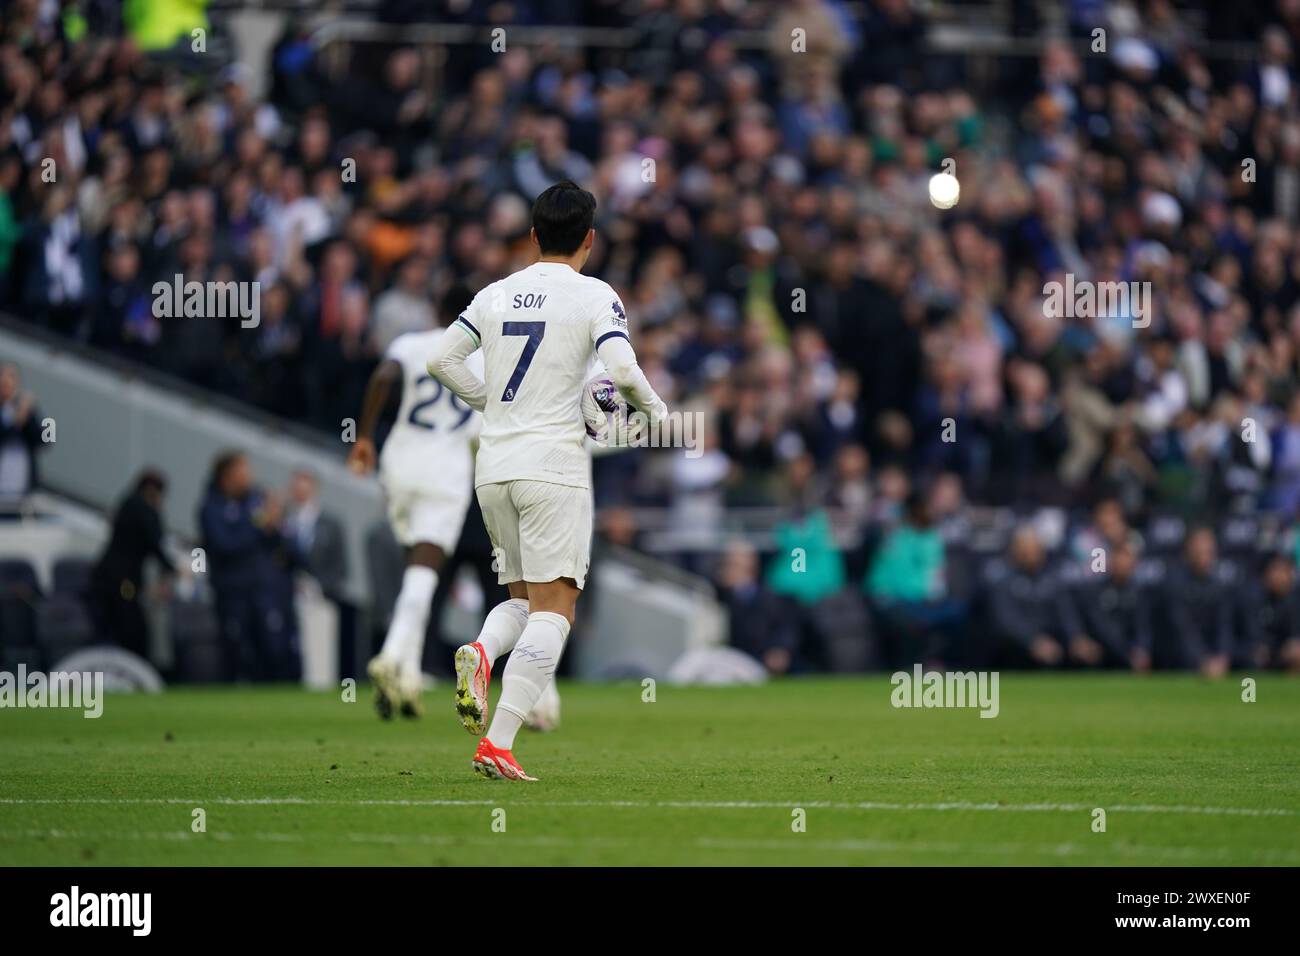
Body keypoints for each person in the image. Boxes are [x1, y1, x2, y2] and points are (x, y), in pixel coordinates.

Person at [426, 180, 668, 780]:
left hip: (494, 468)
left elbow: (441, 360)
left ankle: (480, 653)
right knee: (555, 610)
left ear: (533, 236)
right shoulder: (594, 296)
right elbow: (623, 371)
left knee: (520, 601)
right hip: (553, 467)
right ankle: (499, 742)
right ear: (590, 238)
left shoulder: (494, 293)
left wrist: (493, 406)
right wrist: (659, 416)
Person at [348, 293, 483, 718]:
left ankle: (406, 677)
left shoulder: (413, 344)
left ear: (437, 311)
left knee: (416, 574)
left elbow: (384, 377)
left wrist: (365, 435)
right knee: (424, 575)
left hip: (399, 461)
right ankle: (391, 656)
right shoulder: (486, 361)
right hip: (446, 469)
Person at [198, 451, 299, 682]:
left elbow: (283, 544)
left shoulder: (256, 500)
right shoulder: (211, 508)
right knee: (235, 652)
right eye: (242, 472)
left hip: (262, 594)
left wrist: (275, 524)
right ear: (227, 476)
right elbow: (225, 545)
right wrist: (262, 525)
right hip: (232, 594)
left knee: (271, 652)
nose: (248, 477)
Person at [87, 469, 175, 659]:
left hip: (107, 580)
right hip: (122, 582)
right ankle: (132, 672)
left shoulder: (127, 505)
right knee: (132, 631)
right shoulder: (142, 509)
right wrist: (172, 569)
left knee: (112, 630)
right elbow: (154, 543)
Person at [0, 362, 44, 503]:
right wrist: (18, 419)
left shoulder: (27, 410)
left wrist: (29, 414)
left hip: (20, 489)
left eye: (11, 378)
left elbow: (45, 440)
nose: (6, 382)